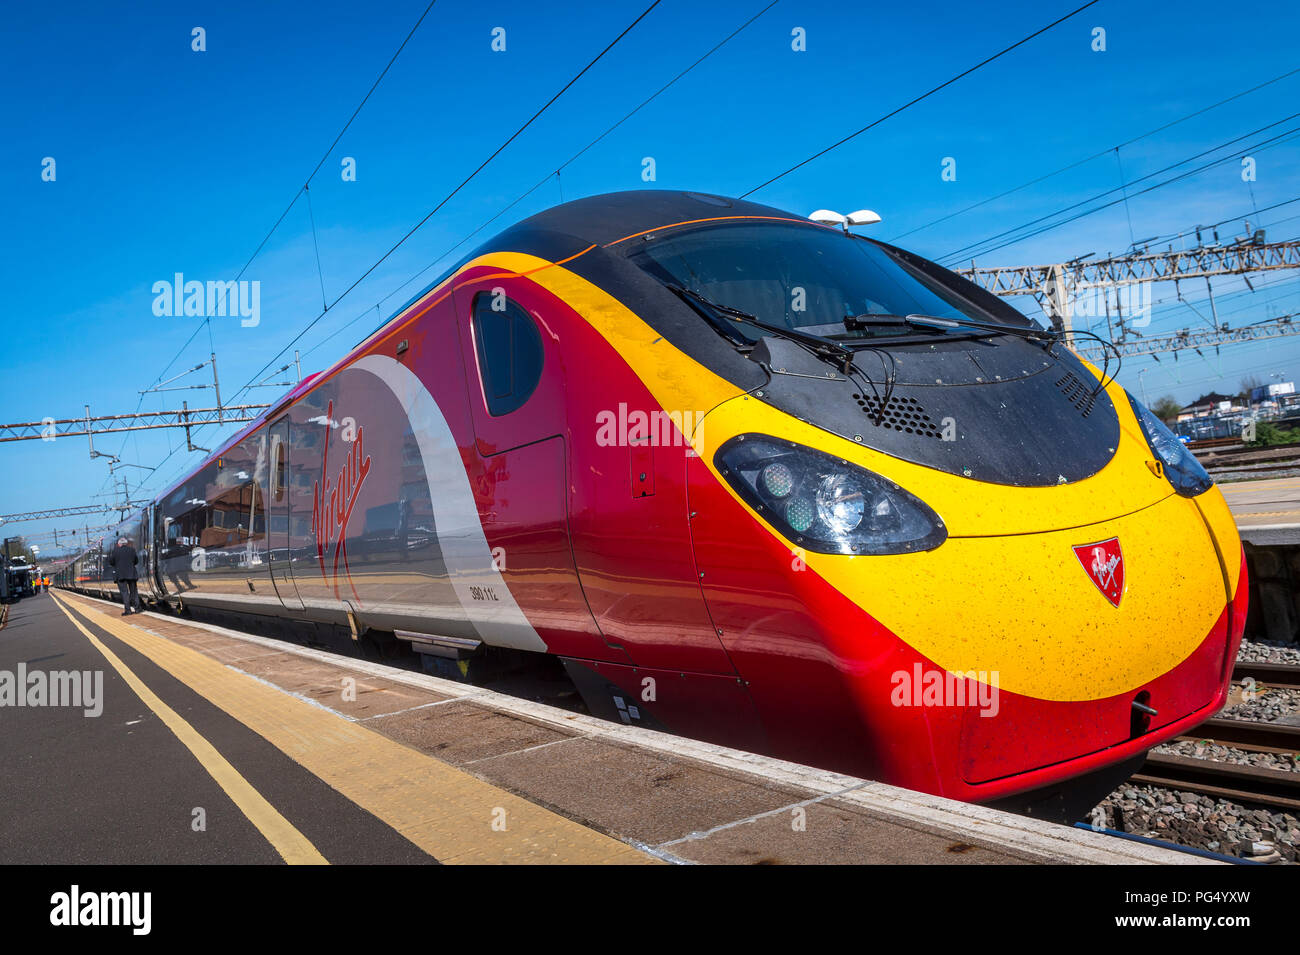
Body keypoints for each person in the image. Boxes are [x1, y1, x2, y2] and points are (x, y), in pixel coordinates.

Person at [110, 537, 142, 615]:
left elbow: (111, 562)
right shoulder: (132, 550)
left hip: (120, 575)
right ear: (126, 543)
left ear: (119, 544)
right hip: (131, 574)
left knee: (125, 593)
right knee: (134, 592)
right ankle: (137, 609)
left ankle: (128, 610)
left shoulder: (115, 551)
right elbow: (136, 561)